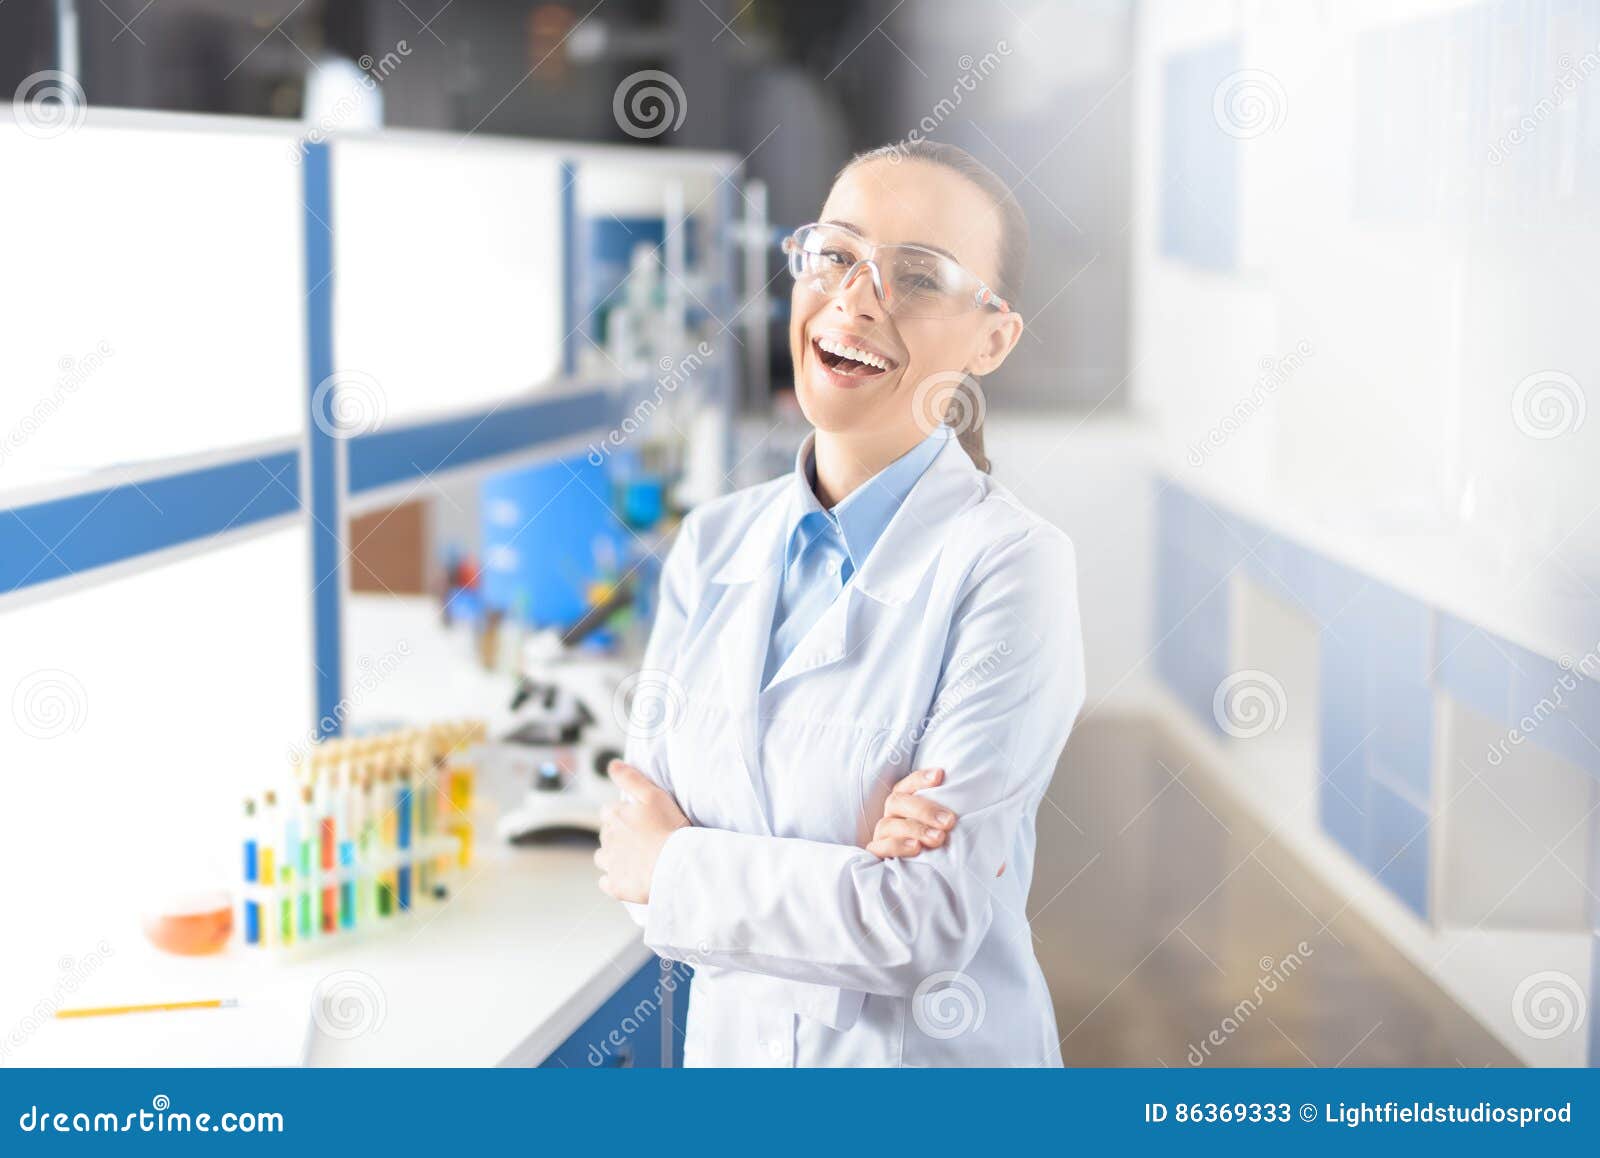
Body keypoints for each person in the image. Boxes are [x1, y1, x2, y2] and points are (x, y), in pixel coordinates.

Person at [595, 140, 1086, 1066]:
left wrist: (687, 865)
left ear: (992, 338)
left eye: (920, 276)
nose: (857, 300)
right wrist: (845, 877)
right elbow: (631, 862)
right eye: (834, 253)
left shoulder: (1013, 567)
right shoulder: (713, 545)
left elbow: (922, 922)